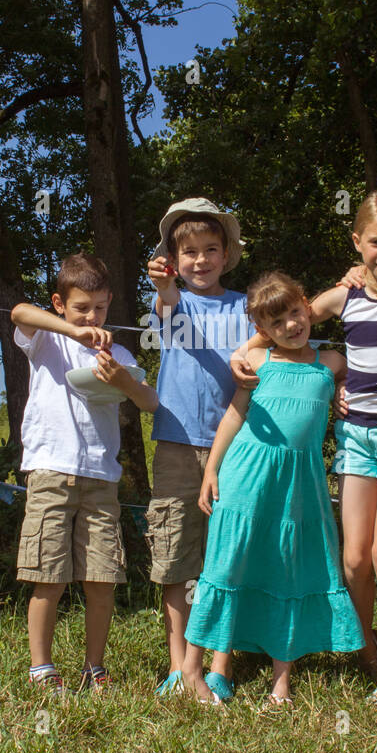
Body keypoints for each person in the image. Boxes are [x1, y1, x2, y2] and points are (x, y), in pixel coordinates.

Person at [235, 189, 377, 710]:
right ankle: (368, 648)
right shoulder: (343, 297)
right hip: (355, 437)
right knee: (354, 559)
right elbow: (284, 323)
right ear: (357, 242)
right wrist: (240, 356)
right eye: (376, 242)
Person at [183, 272, 364, 709]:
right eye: (276, 322)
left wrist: (342, 389)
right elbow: (233, 416)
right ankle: (194, 669)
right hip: (246, 474)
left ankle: (282, 679)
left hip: (300, 482)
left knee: (290, 567)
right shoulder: (257, 361)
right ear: (263, 329)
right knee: (227, 564)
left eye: (295, 313)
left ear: (307, 306)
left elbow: (366, 377)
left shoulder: (331, 362)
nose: (290, 325)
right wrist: (212, 470)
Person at [10, 254, 159, 696]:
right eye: (80, 307)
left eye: (98, 307)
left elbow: (149, 403)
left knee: (102, 578)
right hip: (51, 471)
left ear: (110, 302)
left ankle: (94, 667)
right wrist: (72, 330)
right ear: (59, 303)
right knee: (48, 576)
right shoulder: (47, 342)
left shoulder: (120, 354)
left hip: (100, 477)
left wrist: (124, 381)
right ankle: (42, 667)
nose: (91, 316)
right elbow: (19, 312)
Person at [143, 198, 253, 701]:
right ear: (172, 257)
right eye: (189, 252)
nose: (201, 260)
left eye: (211, 249)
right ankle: (176, 665)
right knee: (176, 556)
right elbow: (165, 305)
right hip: (176, 442)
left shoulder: (247, 306)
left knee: (225, 557)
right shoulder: (172, 302)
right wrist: (164, 286)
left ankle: (219, 666)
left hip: (236, 445)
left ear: (227, 254)